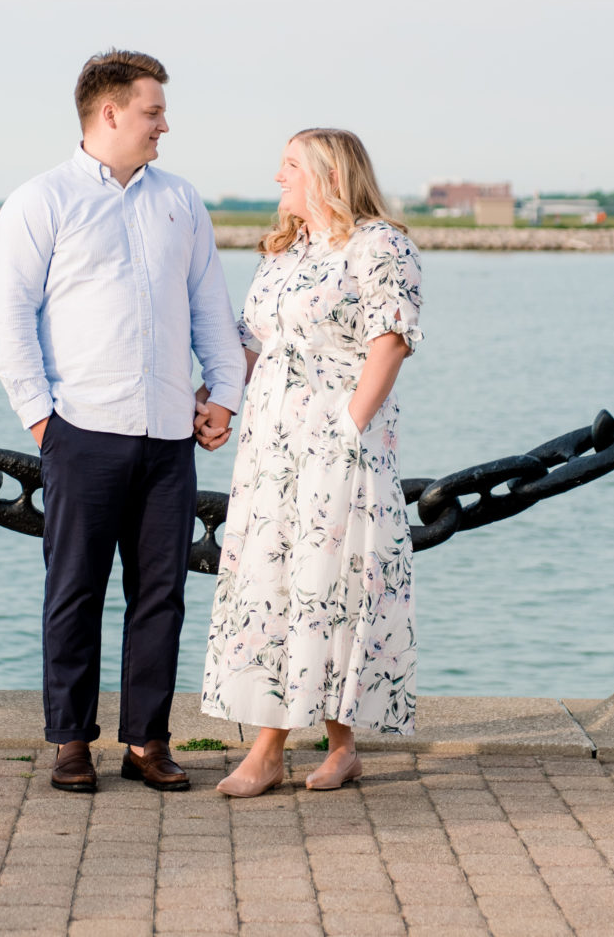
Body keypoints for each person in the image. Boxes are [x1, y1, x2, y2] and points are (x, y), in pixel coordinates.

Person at [0, 49, 246, 794]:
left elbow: (208, 307)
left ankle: (147, 741)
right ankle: (70, 739)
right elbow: (11, 320)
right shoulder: (42, 201)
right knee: (74, 587)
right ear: (110, 113)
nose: (165, 124)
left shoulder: (181, 200)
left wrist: (224, 392)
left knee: (161, 592)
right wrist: (43, 421)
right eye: (153, 111)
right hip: (81, 431)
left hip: (169, 434)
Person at [200, 127, 421, 796]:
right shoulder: (284, 250)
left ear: (328, 173)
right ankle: (341, 743)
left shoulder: (379, 245)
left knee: (326, 579)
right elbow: (249, 342)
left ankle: (266, 751)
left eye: (290, 165)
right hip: (271, 445)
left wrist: (348, 429)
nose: (278, 177)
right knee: (280, 576)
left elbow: (391, 341)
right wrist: (218, 405)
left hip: (338, 441)